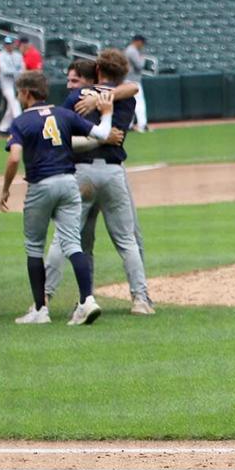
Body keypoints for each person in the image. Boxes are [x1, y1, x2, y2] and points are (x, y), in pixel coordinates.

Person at [0, 71, 114, 325]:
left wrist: (6, 188)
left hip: (40, 185)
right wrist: (106, 112)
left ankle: (40, 310)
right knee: (73, 243)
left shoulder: (21, 122)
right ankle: (87, 300)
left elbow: (15, 157)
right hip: (68, 182)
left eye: (20, 92)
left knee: (34, 247)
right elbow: (103, 134)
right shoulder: (64, 114)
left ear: (27, 93)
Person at [44, 54, 152, 314]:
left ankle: (46, 298)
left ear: (97, 69)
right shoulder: (127, 98)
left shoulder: (77, 97)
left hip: (81, 172)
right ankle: (140, 300)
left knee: (67, 238)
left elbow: (60, 133)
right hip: (114, 173)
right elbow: (132, 88)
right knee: (127, 241)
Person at [0, 37, 24, 133]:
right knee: (15, 102)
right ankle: (21, 125)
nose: (9, 46)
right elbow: (4, 70)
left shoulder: (18, 55)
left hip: (17, 84)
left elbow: (23, 69)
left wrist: (17, 72)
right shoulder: (1, 55)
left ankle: (3, 128)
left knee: (10, 106)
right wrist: (16, 72)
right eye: (7, 44)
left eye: (10, 43)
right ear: (4, 45)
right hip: (6, 84)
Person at [124, 35, 149, 132]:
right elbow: (140, 65)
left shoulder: (129, 50)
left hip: (128, 80)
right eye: (142, 43)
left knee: (130, 103)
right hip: (132, 81)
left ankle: (129, 125)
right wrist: (142, 58)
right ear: (137, 41)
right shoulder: (132, 51)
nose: (142, 45)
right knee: (139, 103)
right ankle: (142, 125)